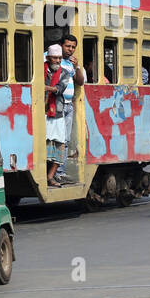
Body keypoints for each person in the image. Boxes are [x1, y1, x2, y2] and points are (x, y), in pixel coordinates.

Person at [58, 34, 87, 181]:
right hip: (57, 104)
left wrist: (76, 67)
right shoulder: (52, 57)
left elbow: (80, 82)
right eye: (67, 46)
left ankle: (61, 172)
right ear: (61, 45)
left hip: (68, 105)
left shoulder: (71, 62)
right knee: (58, 139)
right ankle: (56, 173)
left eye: (73, 47)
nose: (70, 49)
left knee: (66, 139)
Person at [44, 44, 68, 186]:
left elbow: (59, 89)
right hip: (42, 112)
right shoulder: (40, 70)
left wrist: (45, 87)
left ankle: (50, 176)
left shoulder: (64, 73)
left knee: (60, 145)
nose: (58, 61)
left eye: (59, 58)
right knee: (44, 144)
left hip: (57, 112)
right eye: (55, 58)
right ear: (48, 58)